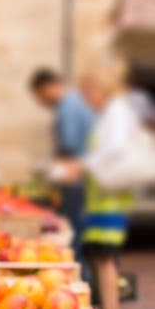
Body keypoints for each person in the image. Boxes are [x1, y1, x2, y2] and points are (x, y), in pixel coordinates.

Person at [59, 59, 136, 309]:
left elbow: (113, 150)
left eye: (88, 91)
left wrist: (81, 166)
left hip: (109, 199)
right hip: (104, 198)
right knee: (100, 255)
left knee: (102, 256)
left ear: (98, 88)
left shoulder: (116, 111)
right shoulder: (114, 112)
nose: (86, 99)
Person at [29, 68, 95, 268]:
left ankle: (85, 279)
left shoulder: (68, 108)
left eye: (40, 96)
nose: (41, 101)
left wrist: (51, 166)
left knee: (77, 232)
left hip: (77, 180)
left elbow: (69, 145)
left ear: (47, 87)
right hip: (87, 178)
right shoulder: (77, 102)